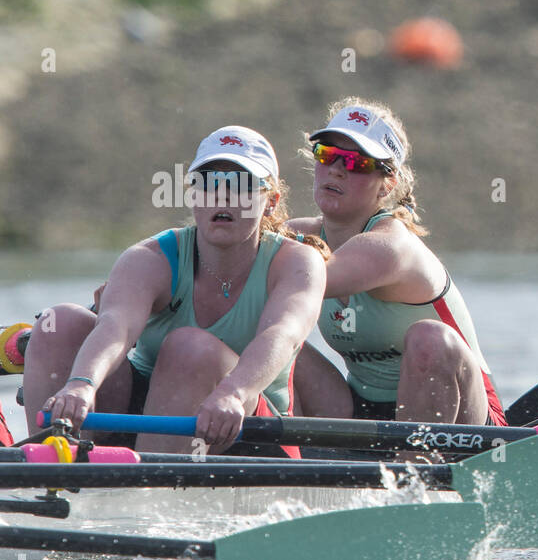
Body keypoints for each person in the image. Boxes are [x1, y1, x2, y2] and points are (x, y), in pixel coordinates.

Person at [25, 126, 327, 455]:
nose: (222, 196)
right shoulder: (150, 257)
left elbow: (282, 335)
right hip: (152, 417)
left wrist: (234, 392)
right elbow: (117, 326)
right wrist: (81, 383)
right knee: (61, 321)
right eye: (209, 185)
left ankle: (149, 494)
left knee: (191, 348)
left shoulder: (298, 262)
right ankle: (54, 467)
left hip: (246, 429)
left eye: (240, 186)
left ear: (270, 202)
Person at [287, 98, 506, 427]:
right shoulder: (299, 236)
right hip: (361, 410)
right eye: (327, 155)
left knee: (429, 338)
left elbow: (301, 277)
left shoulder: (392, 246)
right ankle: (287, 459)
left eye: (356, 163)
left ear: (387, 183)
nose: (335, 169)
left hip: (466, 420)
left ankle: (416, 474)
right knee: (270, 340)